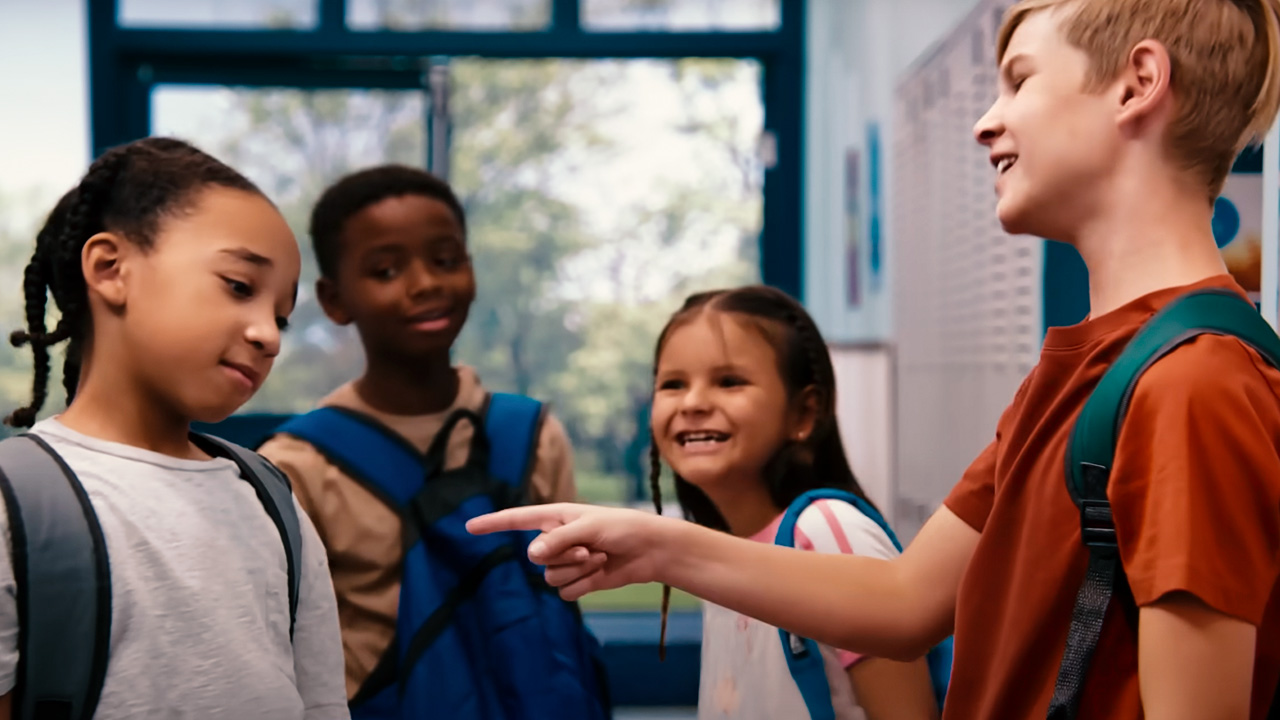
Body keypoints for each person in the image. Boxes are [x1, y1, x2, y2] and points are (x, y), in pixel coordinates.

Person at [469, 1, 1280, 717]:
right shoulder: (1083, 370)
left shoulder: (1192, 382)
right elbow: (906, 601)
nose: (985, 122)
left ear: (1138, 83)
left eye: (1020, 82)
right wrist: (656, 545)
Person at [0, 137, 348, 718]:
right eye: (239, 286)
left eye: (281, 315)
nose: (269, 335)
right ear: (110, 269)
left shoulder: (273, 504)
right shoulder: (18, 503)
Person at [257, 165, 605, 719]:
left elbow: (568, 601)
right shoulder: (297, 466)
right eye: (387, 269)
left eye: (445, 260)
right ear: (333, 299)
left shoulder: (535, 435)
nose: (425, 283)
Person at [644, 285, 939, 720]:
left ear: (803, 413)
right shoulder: (718, 551)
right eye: (673, 384)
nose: (692, 403)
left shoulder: (826, 533)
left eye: (729, 382)